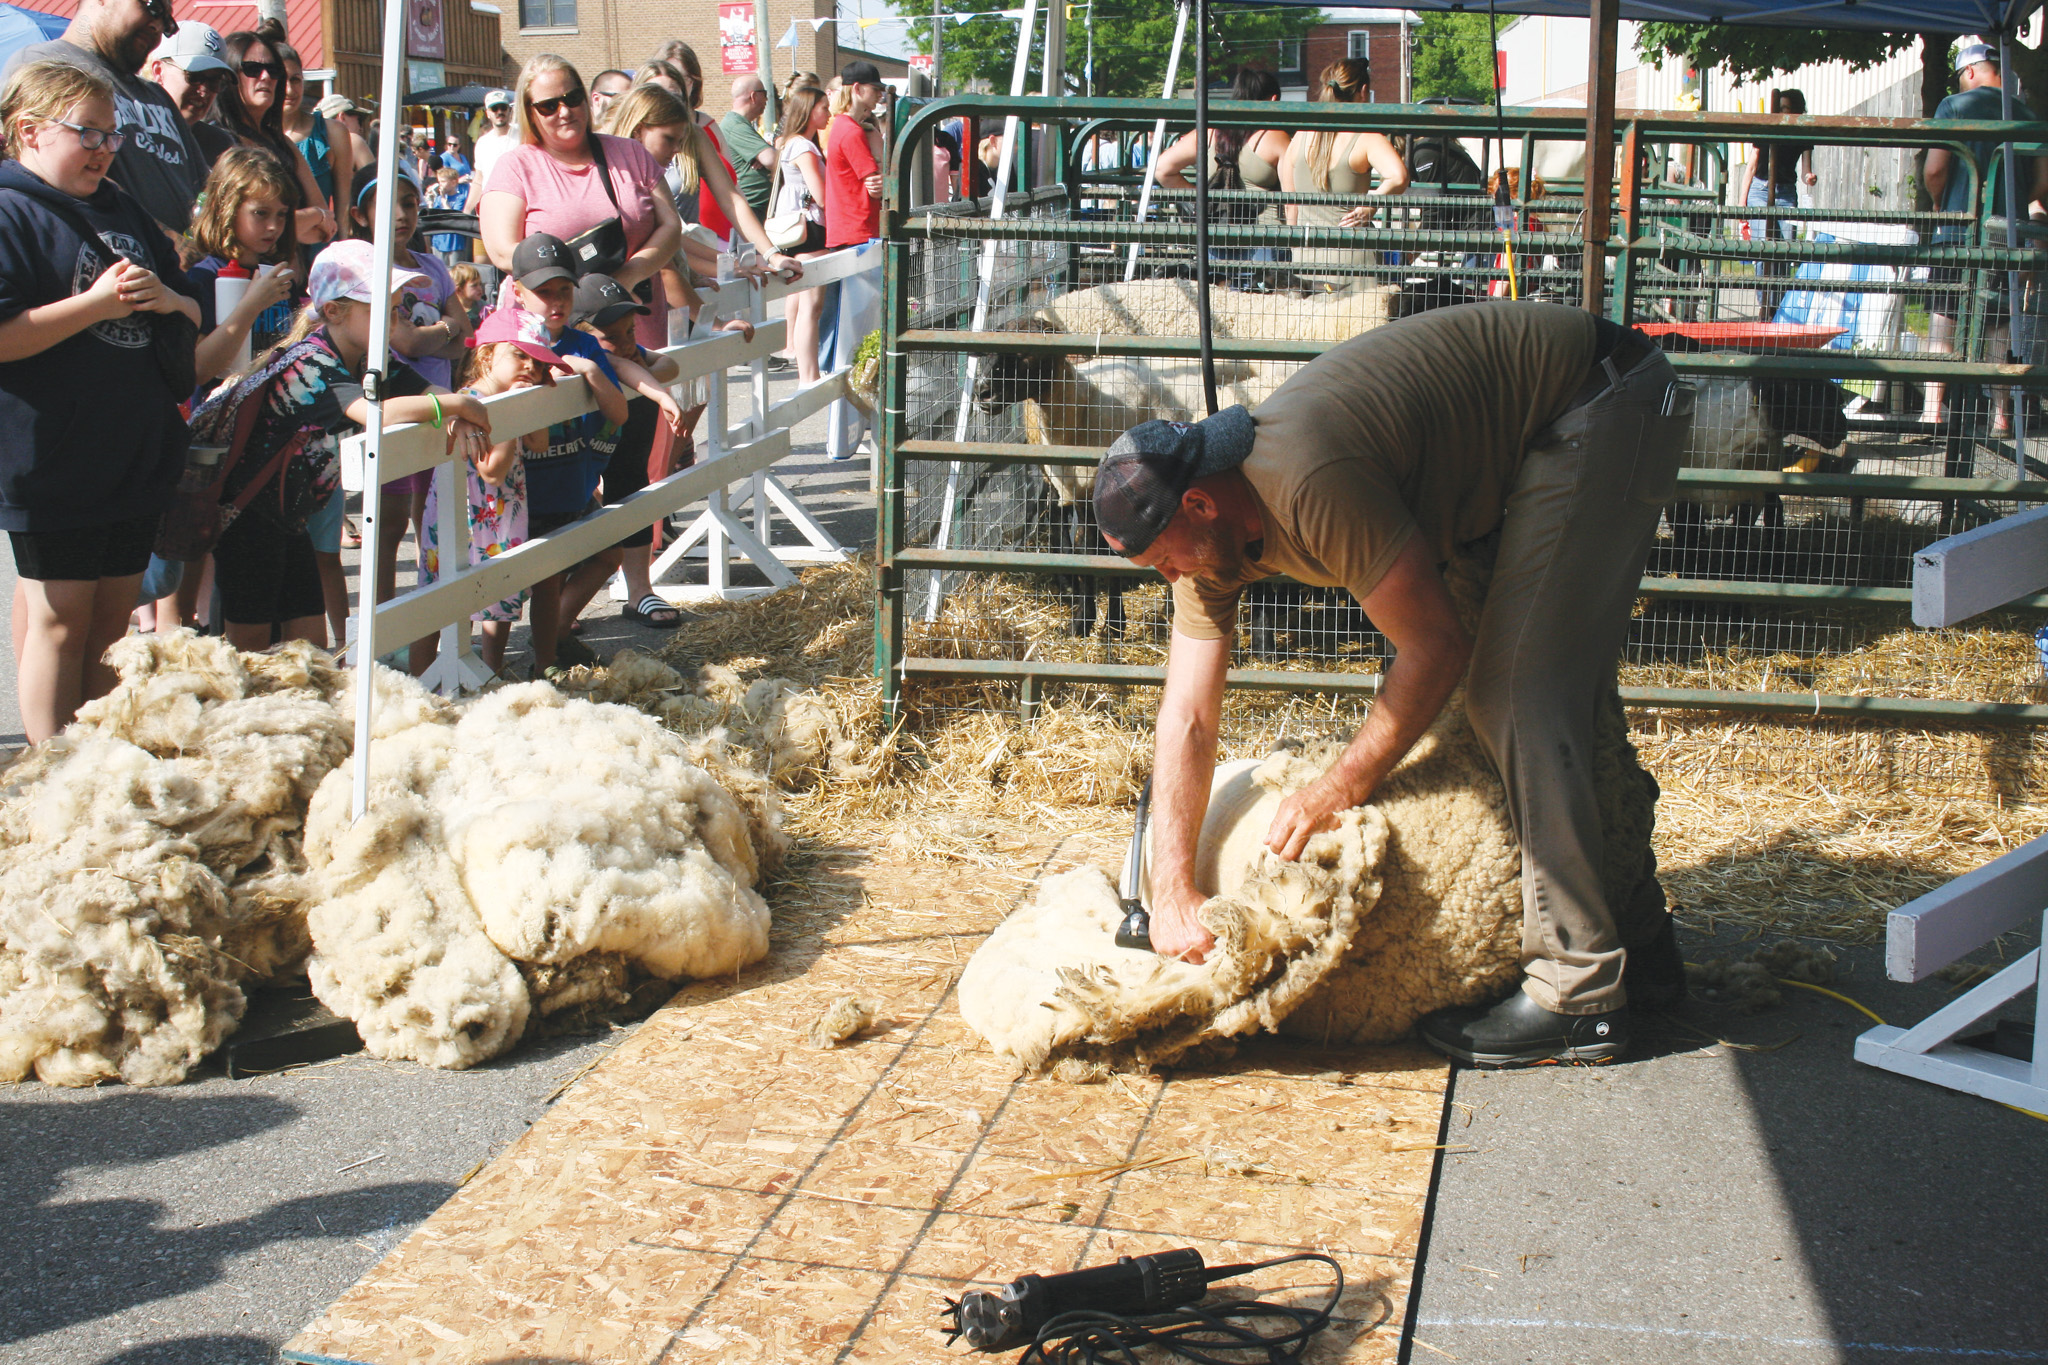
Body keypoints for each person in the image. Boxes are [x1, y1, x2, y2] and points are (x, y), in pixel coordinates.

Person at [1095, 301, 1693, 1068]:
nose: (1169, 578)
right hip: (1510, 458)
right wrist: (1174, 888)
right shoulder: (1205, 539)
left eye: (1164, 561)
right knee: (1545, 690)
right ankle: (1644, 948)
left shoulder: (1304, 479)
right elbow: (1187, 715)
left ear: (1200, 503)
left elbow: (1435, 647)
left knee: (1517, 694)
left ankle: (1578, 996)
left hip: (1596, 399)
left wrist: (1338, 784)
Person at [0, 59, 202, 742]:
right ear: (30, 130)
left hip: (133, 447)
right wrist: (93, 305)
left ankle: (98, 765)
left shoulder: (122, 206)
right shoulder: (10, 210)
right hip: (53, 457)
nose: (105, 149)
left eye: (113, 135)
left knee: (112, 624)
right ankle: (51, 769)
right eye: (87, 133)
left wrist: (168, 298)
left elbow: (187, 302)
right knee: (61, 622)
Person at [205, 238, 487, 653]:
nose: (395, 320)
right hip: (247, 522)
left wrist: (452, 412)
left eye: (397, 308)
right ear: (334, 312)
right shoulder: (311, 363)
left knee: (307, 648)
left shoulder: (372, 359)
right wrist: (458, 404)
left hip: (290, 519)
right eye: (381, 310)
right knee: (250, 650)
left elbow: (424, 390)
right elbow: (377, 413)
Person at [478, 54, 684, 356]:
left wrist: (627, 277)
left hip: (633, 322)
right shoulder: (514, 166)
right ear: (529, 112)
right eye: (549, 106)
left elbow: (670, 226)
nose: (564, 111)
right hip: (555, 332)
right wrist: (571, 282)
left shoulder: (631, 153)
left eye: (572, 98)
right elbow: (501, 251)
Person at [349, 161, 471, 664]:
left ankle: (428, 630)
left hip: (437, 408)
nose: (401, 215)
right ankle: (381, 629)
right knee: (388, 522)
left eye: (409, 203)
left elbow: (462, 334)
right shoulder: (362, 267)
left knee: (434, 521)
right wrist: (440, 333)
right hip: (396, 408)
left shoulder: (432, 266)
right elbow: (403, 342)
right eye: (387, 205)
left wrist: (433, 336)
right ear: (360, 214)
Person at [498, 232, 629, 674]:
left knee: (589, 563)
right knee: (511, 587)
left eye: (564, 291)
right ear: (517, 291)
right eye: (544, 292)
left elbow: (618, 413)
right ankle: (498, 669)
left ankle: (549, 651)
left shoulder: (583, 345)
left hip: (570, 480)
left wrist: (589, 370)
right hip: (523, 489)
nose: (556, 302)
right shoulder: (506, 344)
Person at [413, 307, 564, 677]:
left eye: (538, 362)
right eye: (519, 355)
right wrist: (513, 414)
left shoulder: (513, 395)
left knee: (498, 590)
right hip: (464, 513)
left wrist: (527, 404)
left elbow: (540, 443)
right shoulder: (469, 403)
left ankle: (489, 671)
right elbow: (492, 471)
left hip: (500, 511)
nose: (530, 367)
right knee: (442, 602)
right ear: (486, 356)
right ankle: (422, 677)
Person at [5, 0, 213, 237]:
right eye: (152, 7)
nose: (157, 26)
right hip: (112, 255)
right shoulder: (45, 64)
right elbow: (51, 182)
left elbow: (205, 187)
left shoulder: (157, 96)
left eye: (167, 22)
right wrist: (168, 246)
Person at [553, 272, 690, 633]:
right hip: (575, 450)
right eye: (611, 337)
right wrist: (638, 376)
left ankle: (639, 589)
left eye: (630, 331)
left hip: (626, 437)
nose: (626, 343)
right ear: (582, 333)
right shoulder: (582, 354)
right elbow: (614, 363)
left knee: (631, 489)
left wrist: (645, 370)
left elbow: (668, 364)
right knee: (566, 514)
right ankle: (560, 604)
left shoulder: (629, 353)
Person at [1922, 42, 2048, 432]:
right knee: (1998, 324)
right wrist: (2012, 200)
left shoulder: (1952, 107)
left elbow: (1934, 170)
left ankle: (1933, 411)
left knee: (1944, 319)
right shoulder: (2027, 114)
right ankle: (2001, 415)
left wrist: (1941, 201)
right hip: (2006, 236)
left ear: (1971, 71)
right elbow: (2043, 180)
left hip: (1957, 231)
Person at [1153, 65, 1290, 284]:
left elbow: (1162, 169)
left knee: (1220, 299)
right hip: (1266, 242)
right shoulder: (1276, 137)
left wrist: (1200, 197)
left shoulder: (1208, 133)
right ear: (1273, 100)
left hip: (1216, 237)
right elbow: (1293, 196)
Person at [1286, 58, 1408, 289]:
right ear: (1363, 91)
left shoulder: (1301, 135)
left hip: (1305, 259)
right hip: (1353, 262)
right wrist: (1371, 204)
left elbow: (1289, 197)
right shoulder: (1367, 137)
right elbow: (1399, 176)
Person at [211, 28, 332, 242]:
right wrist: (314, 216)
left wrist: (314, 219)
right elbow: (239, 228)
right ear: (229, 75)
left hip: (294, 262)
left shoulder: (282, 143)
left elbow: (326, 227)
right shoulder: (215, 139)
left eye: (274, 70)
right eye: (253, 69)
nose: (266, 77)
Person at [1737, 88, 1815, 322]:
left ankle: (1778, 305)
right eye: (1779, 108)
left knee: (1785, 248)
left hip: (1786, 192)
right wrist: (1742, 202)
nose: (1782, 113)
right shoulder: (1766, 129)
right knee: (1764, 247)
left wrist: (1809, 177)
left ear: (1797, 111)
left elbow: (1806, 169)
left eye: (1786, 108)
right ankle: (1765, 306)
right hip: (1760, 190)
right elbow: (1751, 166)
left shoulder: (1803, 134)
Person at [774, 83, 831, 384]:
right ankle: (809, 375)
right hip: (809, 226)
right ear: (809, 111)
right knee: (812, 304)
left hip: (797, 227)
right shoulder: (804, 147)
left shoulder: (790, 144)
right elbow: (821, 196)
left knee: (804, 299)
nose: (828, 114)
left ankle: (805, 368)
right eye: (824, 108)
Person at [271, 24, 345, 219]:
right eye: (281, 80)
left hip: (322, 236)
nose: (289, 90)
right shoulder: (254, 138)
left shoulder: (332, 133)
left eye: (295, 80)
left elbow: (343, 209)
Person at [145, 21, 235, 167]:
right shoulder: (133, 133)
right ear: (159, 72)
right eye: (195, 76)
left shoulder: (219, 145)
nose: (204, 90)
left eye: (215, 81)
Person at [824, 60, 885, 251]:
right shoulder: (851, 131)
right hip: (857, 232)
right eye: (875, 89)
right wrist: (887, 179)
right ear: (857, 89)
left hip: (849, 231)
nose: (880, 95)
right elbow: (876, 188)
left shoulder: (843, 125)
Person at [721, 73, 776, 220]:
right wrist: (769, 154)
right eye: (764, 94)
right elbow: (771, 159)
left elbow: (767, 157)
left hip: (757, 208)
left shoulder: (740, 124)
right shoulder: (736, 125)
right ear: (754, 96)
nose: (767, 100)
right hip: (753, 209)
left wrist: (767, 152)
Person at [466, 87, 516, 213]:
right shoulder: (483, 143)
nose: (499, 112)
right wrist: (467, 209)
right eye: (494, 109)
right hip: (492, 206)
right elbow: (479, 179)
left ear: (509, 110)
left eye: (503, 108)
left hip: (518, 203)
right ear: (487, 113)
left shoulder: (524, 135)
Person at [317, 92, 372, 180]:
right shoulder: (353, 141)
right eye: (359, 121)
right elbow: (376, 184)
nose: (361, 128)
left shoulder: (312, 148)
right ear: (342, 117)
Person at [426, 163, 466, 264]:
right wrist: (430, 202)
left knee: (454, 269)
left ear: (453, 183)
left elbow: (453, 216)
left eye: (443, 182)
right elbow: (432, 217)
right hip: (439, 241)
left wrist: (444, 200)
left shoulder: (460, 198)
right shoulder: (438, 199)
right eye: (439, 182)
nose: (440, 185)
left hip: (454, 242)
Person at [450, 259, 485, 326]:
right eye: (474, 285)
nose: (480, 288)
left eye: (480, 284)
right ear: (459, 290)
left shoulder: (481, 306)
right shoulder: (453, 309)